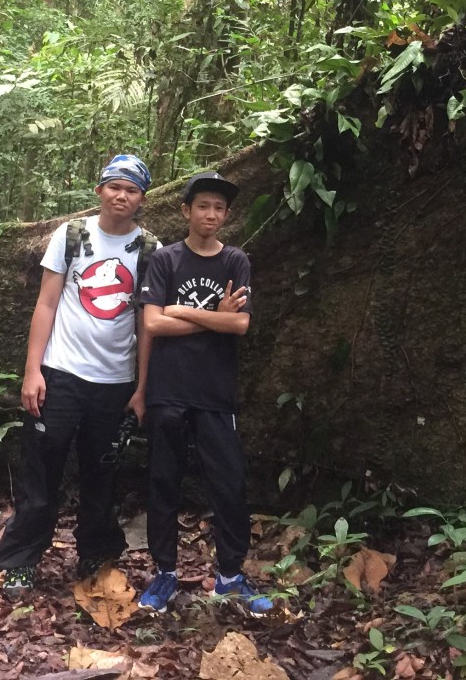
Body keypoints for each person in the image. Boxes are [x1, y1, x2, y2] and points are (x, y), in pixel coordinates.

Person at [0, 154, 157, 598]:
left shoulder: (149, 249)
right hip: (61, 373)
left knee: (102, 473)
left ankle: (96, 555)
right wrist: (32, 370)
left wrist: (142, 386)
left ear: (142, 198)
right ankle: (21, 560)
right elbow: (46, 303)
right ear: (100, 189)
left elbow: (146, 322)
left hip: (115, 381)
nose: (122, 196)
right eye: (115, 186)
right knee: (41, 470)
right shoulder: (71, 235)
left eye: (132, 189)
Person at [136, 171, 272, 614]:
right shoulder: (166, 260)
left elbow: (241, 324)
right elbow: (152, 324)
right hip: (167, 389)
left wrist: (182, 309)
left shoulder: (235, 261)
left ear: (226, 215)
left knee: (228, 485)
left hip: (216, 392)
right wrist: (213, 313)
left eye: (218, 208)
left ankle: (230, 575)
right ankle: (165, 574)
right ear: (186, 211)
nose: (211, 214)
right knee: (163, 482)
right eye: (202, 206)